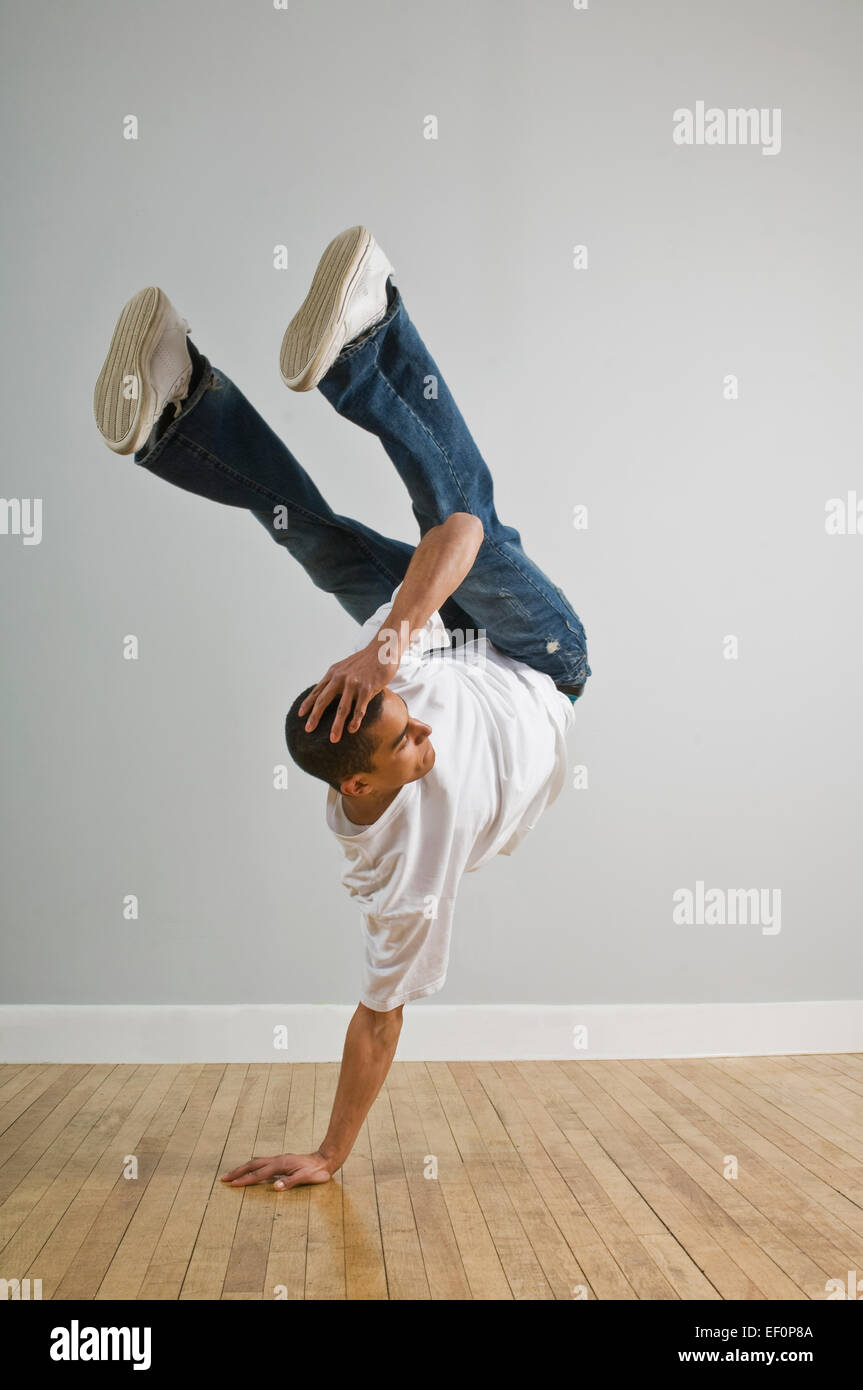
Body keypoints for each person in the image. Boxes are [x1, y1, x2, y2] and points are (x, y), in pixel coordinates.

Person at [93, 226, 591, 1190]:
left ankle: (181, 407)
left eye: (404, 720)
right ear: (364, 783)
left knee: (314, 543)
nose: (426, 735)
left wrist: (382, 651)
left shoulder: (379, 707)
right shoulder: (411, 874)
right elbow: (377, 1020)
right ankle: (370, 346)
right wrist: (329, 1156)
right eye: (410, 742)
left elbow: (435, 564)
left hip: (454, 652)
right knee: (475, 529)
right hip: (547, 666)